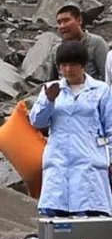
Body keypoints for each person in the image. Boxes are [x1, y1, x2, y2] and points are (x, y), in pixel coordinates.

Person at [30, 39, 112, 218]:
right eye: (63, 65)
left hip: (89, 161)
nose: (68, 70)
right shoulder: (51, 89)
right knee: (56, 221)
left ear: (83, 65)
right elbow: (36, 121)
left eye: (73, 64)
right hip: (59, 162)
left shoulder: (101, 90)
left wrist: (110, 157)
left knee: (91, 219)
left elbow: (110, 128)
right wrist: (49, 101)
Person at [49, 5, 109, 81]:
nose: (62, 26)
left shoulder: (96, 43)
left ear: (79, 20)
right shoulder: (56, 50)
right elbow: (52, 81)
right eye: (59, 22)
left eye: (66, 20)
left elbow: (108, 75)